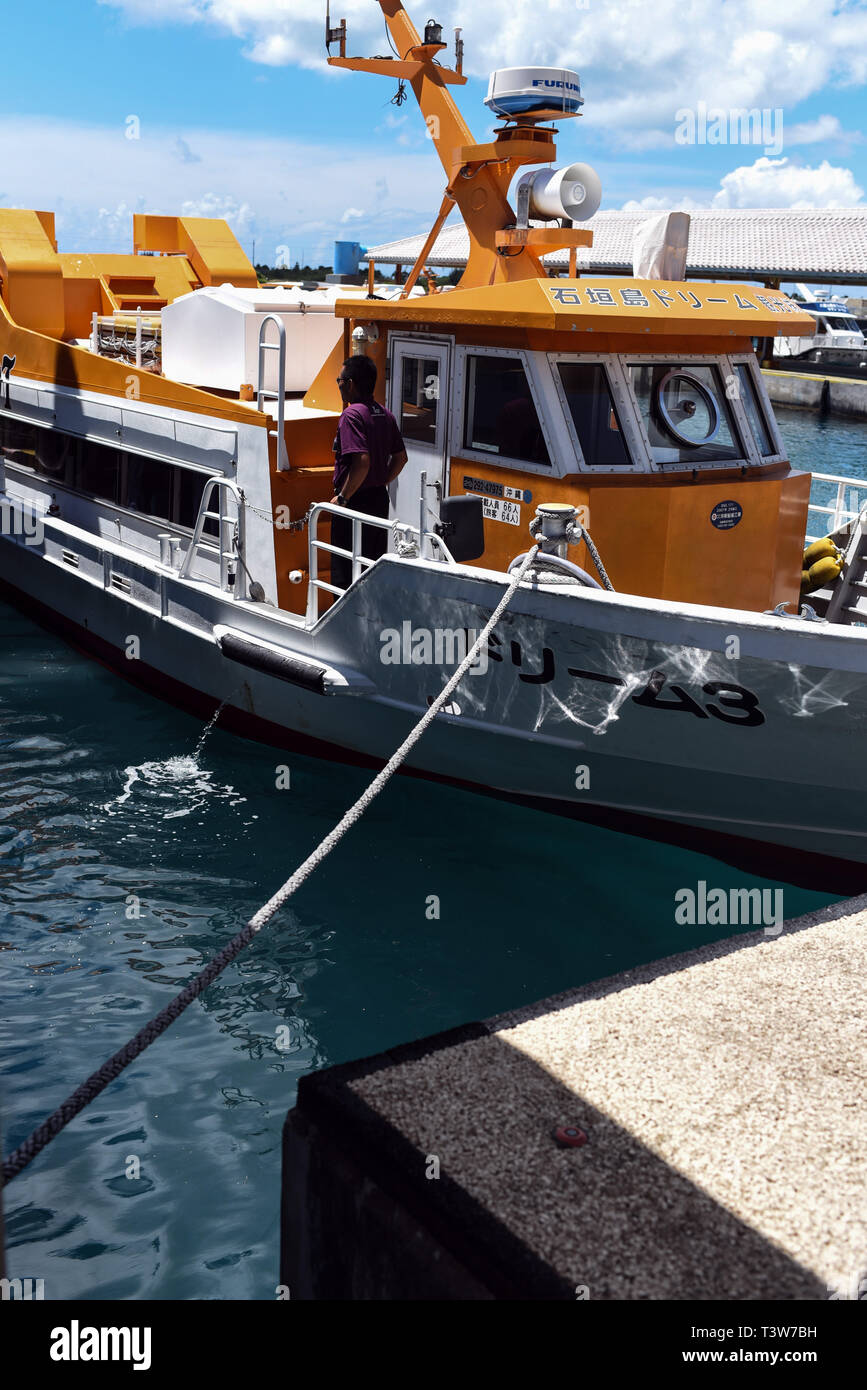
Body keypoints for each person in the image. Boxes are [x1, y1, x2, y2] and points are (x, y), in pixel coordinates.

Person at [330, 355, 407, 592]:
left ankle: (344, 624)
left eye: (339, 380)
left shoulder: (351, 415)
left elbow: (361, 462)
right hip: (378, 499)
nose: (339, 385)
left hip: (355, 501)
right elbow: (401, 458)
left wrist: (343, 498)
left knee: (345, 570)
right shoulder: (385, 414)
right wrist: (380, 480)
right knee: (371, 566)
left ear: (350, 383)